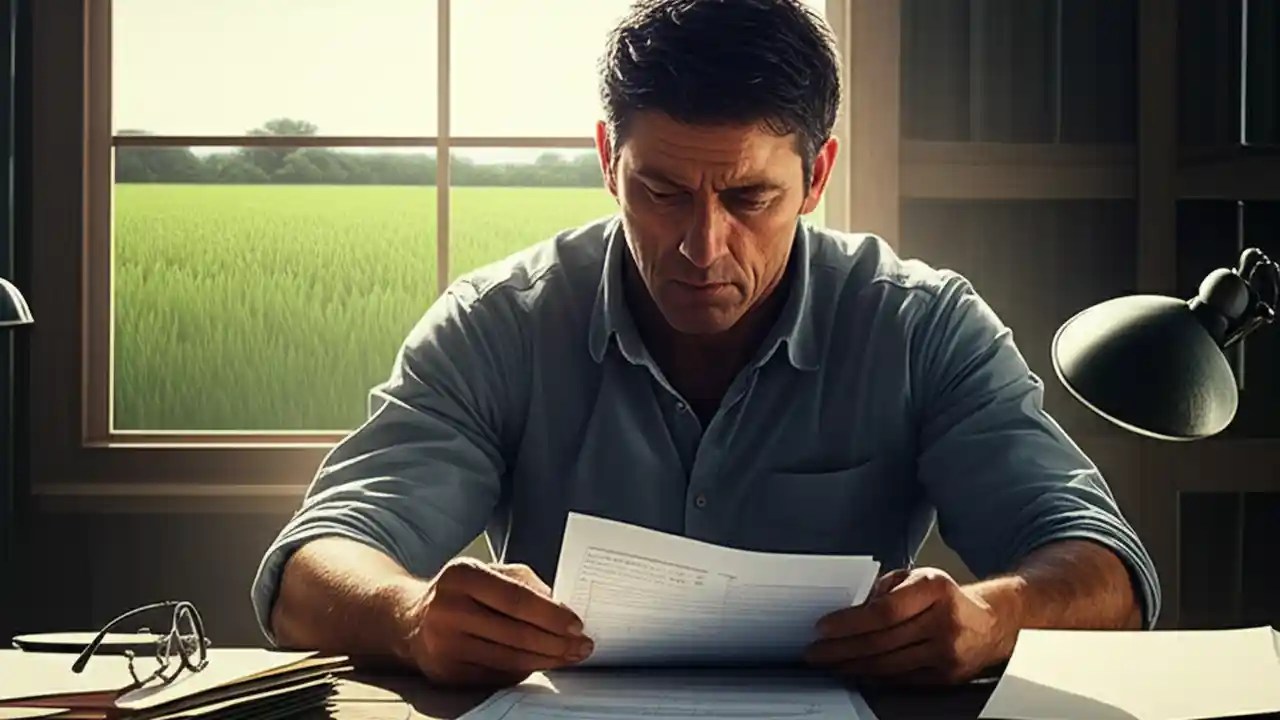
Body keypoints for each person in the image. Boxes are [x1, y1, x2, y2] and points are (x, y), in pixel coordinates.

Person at [252, 0, 1160, 689]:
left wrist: (995, 617)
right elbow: (311, 567)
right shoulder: (499, 323)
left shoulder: (922, 325)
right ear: (608, 159)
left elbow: (1105, 568)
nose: (702, 247)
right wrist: (411, 615)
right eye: (661, 193)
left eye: (749, 199)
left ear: (817, 175)